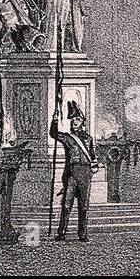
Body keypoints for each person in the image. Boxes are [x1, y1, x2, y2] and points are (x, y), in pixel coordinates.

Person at [50, 100, 98, 242]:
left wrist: (94, 164)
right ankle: (62, 232)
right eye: (73, 120)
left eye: (77, 120)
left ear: (82, 122)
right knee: (66, 204)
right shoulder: (68, 138)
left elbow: (92, 155)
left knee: (83, 205)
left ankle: (82, 234)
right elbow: (53, 134)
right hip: (71, 173)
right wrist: (55, 120)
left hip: (85, 173)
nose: (74, 123)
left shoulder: (88, 139)